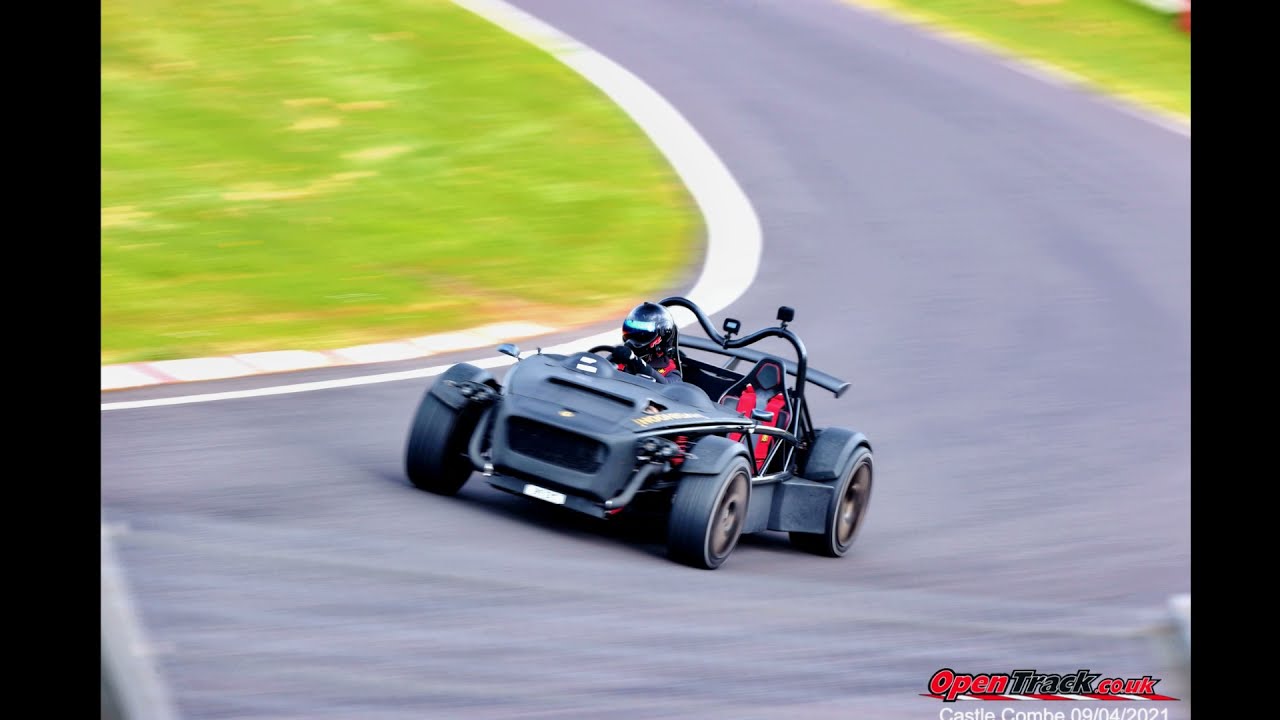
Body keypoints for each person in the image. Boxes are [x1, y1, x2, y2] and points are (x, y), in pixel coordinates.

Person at [615, 301, 683, 384]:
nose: (633, 339)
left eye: (643, 333)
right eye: (632, 330)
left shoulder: (670, 371)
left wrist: (637, 362)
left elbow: (670, 387)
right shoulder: (621, 359)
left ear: (663, 334)